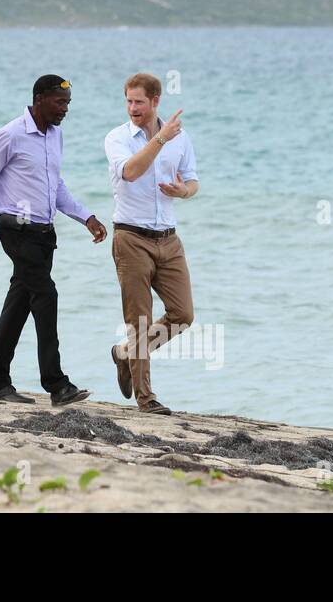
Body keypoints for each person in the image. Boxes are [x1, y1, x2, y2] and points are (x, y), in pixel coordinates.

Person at [0, 74, 107, 406]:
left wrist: (86, 217)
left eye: (69, 103)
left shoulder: (55, 136)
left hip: (45, 236)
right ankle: (57, 384)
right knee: (46, 296)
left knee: (19, 304)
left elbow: (55, 187)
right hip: (16, 231)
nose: (65, 109)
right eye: (61, 102)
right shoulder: (10, 135)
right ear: (40, 98)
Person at [103, 72, 199, 415]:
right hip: (130, 237)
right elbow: (130, 172)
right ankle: (146, 398)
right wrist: (159, 138)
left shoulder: (180, 138)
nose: (132, 108)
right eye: (128, 101)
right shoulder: (117, 138)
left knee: (183, 314)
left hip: (169, 240)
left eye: (139, 102)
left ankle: (124, 353)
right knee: (139, 322)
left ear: (155, 101)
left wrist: (183, 191)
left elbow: (192, 181)